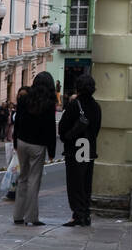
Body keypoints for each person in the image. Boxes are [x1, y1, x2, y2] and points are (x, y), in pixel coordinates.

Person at [12, 71, 57, 226]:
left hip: (22, 141)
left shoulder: (24, 99)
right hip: (38, 145)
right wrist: (52, 151)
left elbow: (17, 121)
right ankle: (31, 217)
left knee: (22, 178)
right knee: (34, 180)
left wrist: (15, 142)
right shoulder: (49, 104)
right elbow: (51, 129)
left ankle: (17, 215)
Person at [58, 73, 101, 226]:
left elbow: (62, 128)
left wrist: (67, 137)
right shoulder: (96, 106)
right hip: (89, 148)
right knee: (86, 182)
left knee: (75, 183)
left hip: (75, 149)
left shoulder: (74, 105)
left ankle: (78, 215)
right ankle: (86, 213)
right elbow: (96, 129)